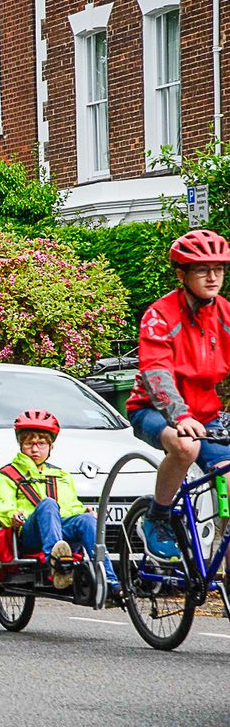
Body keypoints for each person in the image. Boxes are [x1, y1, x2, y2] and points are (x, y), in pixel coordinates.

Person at [124, 229, 230, 560]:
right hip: (153, 411)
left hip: (207, 415)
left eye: (220, 268)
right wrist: (180, 416)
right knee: (186, 446)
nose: (213, 277)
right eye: (202, 269)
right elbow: (158, 375)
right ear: (182, 274)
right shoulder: (160, 315)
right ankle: (157, 518)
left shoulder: (225, 313)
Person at [0, 411, 117, 592]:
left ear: (51, 446)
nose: (35, 449)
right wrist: (11, 514)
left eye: (41, 444)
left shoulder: (61, 476)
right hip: (30, 533)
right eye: (29, 443)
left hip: (61, 529)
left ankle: (108, 580)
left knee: (87, 520)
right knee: (48, 504)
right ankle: (57, 565)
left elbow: (70, 507)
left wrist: (83, 512)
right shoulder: (7, 475)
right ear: (21, 445)